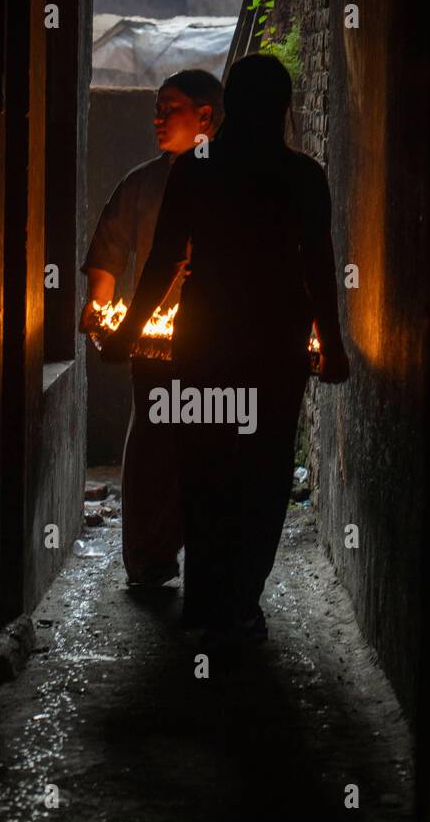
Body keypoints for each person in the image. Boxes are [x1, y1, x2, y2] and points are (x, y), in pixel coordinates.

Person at [100, 54, 350, 648]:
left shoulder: (196, 171)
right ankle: (239, 602)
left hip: (205, 343)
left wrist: (128, 331)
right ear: (283, 108)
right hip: (272, 347)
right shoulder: (302, 177)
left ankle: (208, 601)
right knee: (260, 476)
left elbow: (163, 260)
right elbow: (317, 270)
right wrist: (332, 348)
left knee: (205, 469)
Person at [80, 70, 224, 588]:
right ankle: (149, 557)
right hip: (156, 344)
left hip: (215, 346)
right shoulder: (142, 184)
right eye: (157, 108)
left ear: (206, 115)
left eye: (171, 107)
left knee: (205, 449)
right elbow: (108, 259)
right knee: (153, 449)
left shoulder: (233, 180)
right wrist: (104, 315)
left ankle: (203, 565)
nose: (157, 118)